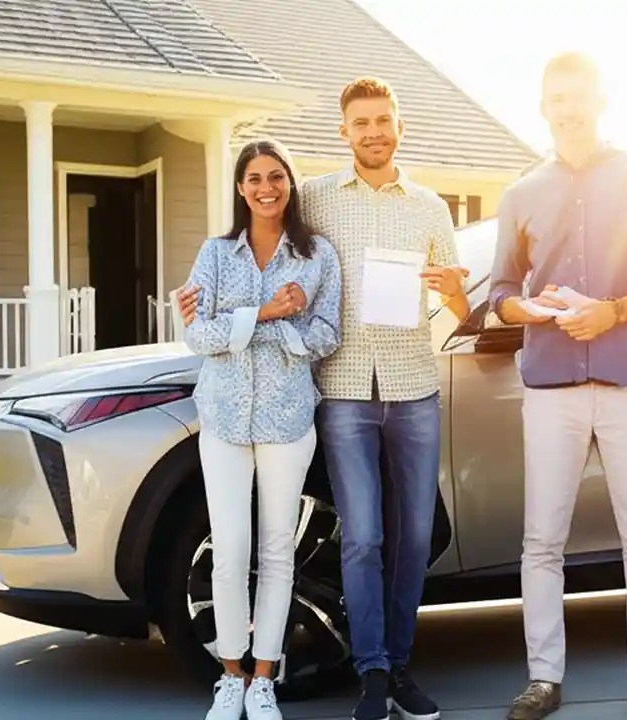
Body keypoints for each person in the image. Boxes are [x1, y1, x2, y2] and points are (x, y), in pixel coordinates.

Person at [178, 77, 469, 720]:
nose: (373, 132)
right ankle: (369, 674)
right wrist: (214, 307)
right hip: (340, 391)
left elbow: (456, 309)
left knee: (413, 539)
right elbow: (255, 226)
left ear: (399, 125)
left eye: (383, 120)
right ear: (344, 131)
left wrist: (454, 291)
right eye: (361, 122)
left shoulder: (429, 208)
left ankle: (398, 667)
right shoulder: (311, 198)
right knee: (361, 537)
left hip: (413, 383)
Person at [488, 52, 627, 720]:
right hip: (550, 386)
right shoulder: (521, 194)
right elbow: (498, 293)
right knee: (541, 541)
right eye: (557, 99)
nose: (568, 109)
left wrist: (613, 311)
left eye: (578, 97)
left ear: (601, 99)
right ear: (544, 107)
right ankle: (542, 678)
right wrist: (530, 310)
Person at [184, 139, 343, 720]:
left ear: (289, 184)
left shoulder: (317, 254)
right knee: (229, 552)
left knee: (278, 552)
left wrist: (250, 326)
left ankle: (263, 681)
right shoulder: (216, 252)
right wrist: (272, 314)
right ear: (240, 187)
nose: (265, 187)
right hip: (223, 418)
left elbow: (327, 335)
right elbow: (198, 337)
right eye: (254, 178)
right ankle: (229, 676)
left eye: (275, 176)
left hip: (287, 419)